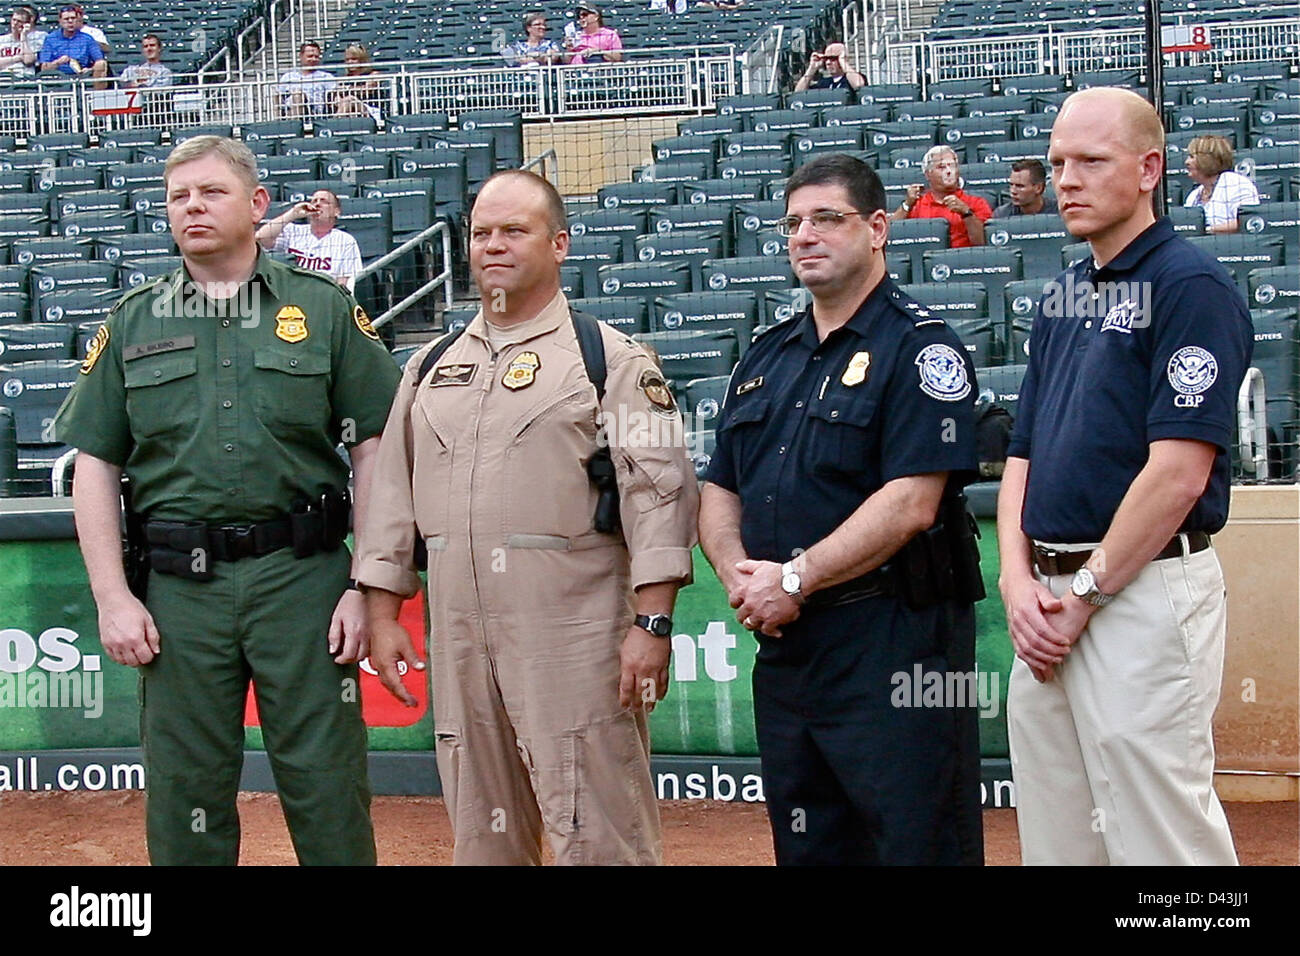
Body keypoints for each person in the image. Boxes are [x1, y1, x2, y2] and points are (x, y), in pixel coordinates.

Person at [52, 135, 400, 866]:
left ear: (258, 204)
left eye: (210, 192)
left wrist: (365, 585)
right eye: (179, 197)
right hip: (180, 593)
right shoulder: (134, 321)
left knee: (327, 786)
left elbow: (375, 448)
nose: (192, 207)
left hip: (303, 582)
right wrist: (112, 597)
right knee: (187, 798)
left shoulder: (323, 309)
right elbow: (95, 465)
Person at [357, 169, 699, 866]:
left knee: (600, 829)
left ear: (560, 243)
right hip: (459, 637)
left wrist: (652, 624)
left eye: (514, 231)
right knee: (484, 835)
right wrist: (383, 610)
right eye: (482, 233)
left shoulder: (613, 360)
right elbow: (390, 496)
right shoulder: (429, 366)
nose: (493, 246)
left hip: (575, 636)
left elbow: (660, 498)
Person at [698, 153, 984, 865]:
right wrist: (742, 576)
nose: (805, 235)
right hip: (789, 652)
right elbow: (719, 489)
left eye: (828, 218)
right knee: (811, 848)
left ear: (879, 227)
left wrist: (793, 578)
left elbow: (914, 502)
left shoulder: (920, 349)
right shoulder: (766, 357)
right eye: (794, 222)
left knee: (914, 844)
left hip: (892, 643)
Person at [997, 87, 1249, 866]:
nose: (1066, 179)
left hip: (1138, 595)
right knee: (1061, 842)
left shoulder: (1189, 286)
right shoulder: (1066, 290)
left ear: (1149, 168)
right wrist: (1014, 581)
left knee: (1163, 840)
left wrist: (1083, 599)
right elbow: (1021, 457)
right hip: (1046, 600)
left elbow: (1176, 477)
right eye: (1058, 162)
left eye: (1091, 162)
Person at [256, 189, 363, 292]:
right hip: (292, 294)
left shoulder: (345, 241)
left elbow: (344, 282)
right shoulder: (293, 231)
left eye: (324, 201)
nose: (317, 204)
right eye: (314, 201)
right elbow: (261, 238)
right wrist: (293, 213)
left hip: (325, 297)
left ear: (336, 211)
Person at [894, 145, 992, 248]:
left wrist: (966, 213)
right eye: (941, 167)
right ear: (928, 174)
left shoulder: (977, 203)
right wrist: (906, 205)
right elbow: (888, 237)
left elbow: (983, 243)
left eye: (952, 165)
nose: (949, 171)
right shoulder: (916, 205)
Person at [1183, 134, 1260, 234]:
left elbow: (1247, 221)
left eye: (1192, 157)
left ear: (1207, 159)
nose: (1186, 162)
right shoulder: (1193, 196)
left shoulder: (1236, 184)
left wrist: (1207, 230)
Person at [37, 4, 105, 80]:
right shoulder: (50, 39)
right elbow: (44, 68)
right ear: (60, 21)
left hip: (82, 75)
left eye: (73, 18)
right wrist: (58, 62)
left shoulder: (87, 39)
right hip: (57, 76)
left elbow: (99, 60)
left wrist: (90, 69)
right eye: (66, 19)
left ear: (77, 19)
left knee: (102, 64)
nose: (70, 21)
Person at [279, 41, 335, 117]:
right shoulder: (288, 77)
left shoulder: (326, 77)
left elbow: (334, 96)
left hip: (316, 113)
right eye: (310, 56)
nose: (314, 59)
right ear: (301, 56)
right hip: (291, 112)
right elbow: (278, 97)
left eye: (316, 57)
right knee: (297, 95)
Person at [992, 158, 1057, 218]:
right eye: (1011, 185)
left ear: (1038, 188)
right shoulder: (1002, 215)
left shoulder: (1059, 212)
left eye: (1020, 186)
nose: (1013, 191)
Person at [333, 42, 383, 117]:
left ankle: (334, 123)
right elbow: (338, 93)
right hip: (350, 110)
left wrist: (347, 89)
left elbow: (366, 90)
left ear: (362, 60)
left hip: (371, 110)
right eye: (347, 60)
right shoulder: (345, 78)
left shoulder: (373, 74)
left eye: (354, 59)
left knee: (350, 100)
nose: (350, 62)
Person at [793, 42, 865, 92]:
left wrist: (843, 61)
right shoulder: (823, 83)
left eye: (833, 59)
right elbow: (799, 92)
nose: (828, 62)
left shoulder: (854, 78)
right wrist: (812, 68)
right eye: (826, 59)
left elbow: (859, 85)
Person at [0, 6, 39, 76]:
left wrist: (23, 36)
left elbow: (28, 61)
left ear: (26, 24)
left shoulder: (33, 40)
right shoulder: (2, 40)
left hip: (25, 77)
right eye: (14, 20)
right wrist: (18, 58)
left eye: (19, 21)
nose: (15, 23)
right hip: (3, 77)